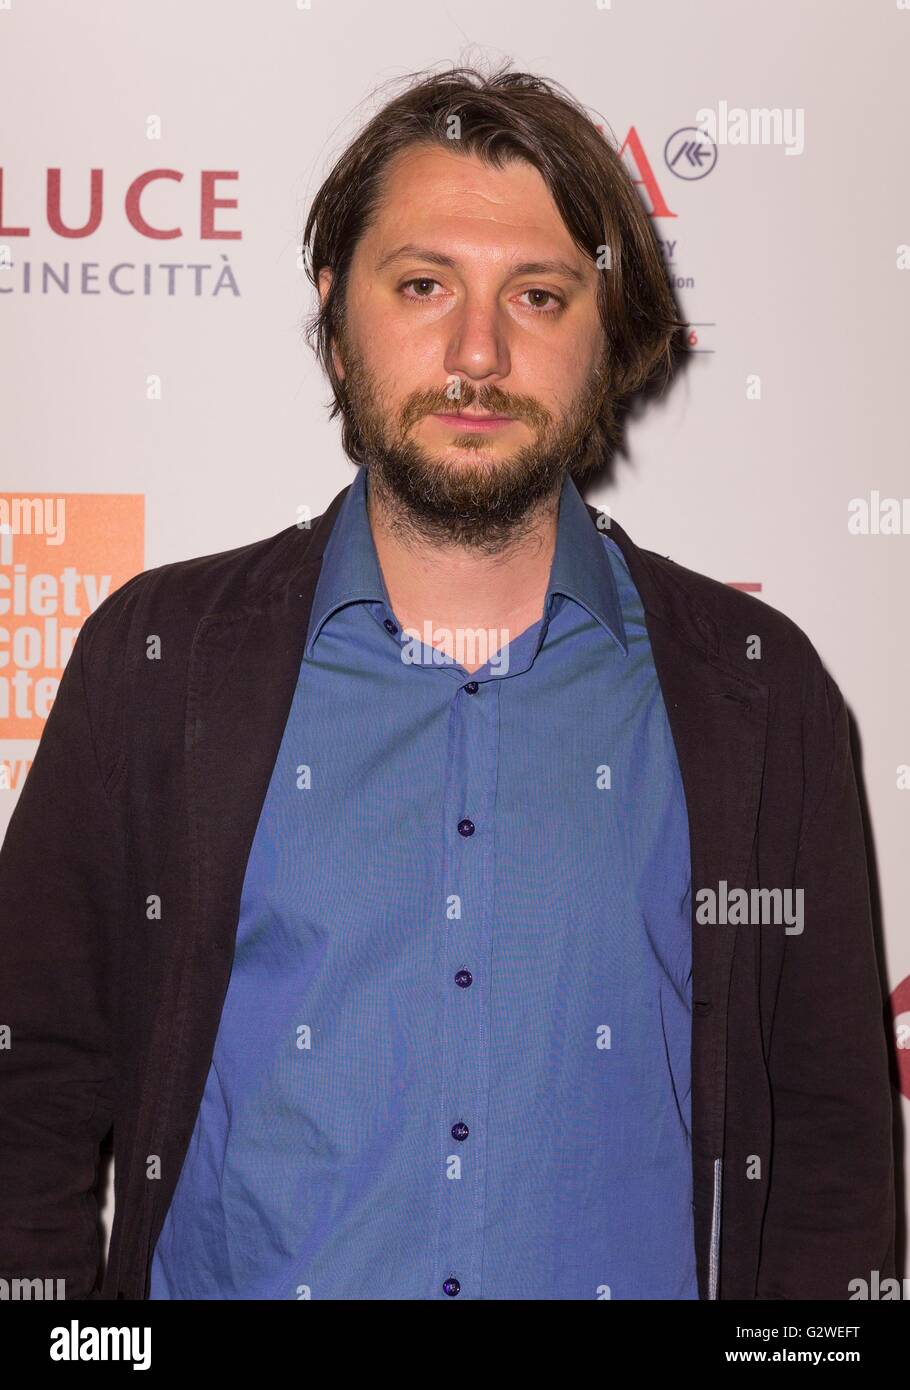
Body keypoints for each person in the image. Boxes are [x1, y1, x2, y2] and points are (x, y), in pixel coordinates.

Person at [0, 64, 895, 1301]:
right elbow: (30, 1079)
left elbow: (830, 1138)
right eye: (423, 286)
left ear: (610, 334)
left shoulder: (756, 688)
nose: (477, 351)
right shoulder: (159, 662)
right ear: (333, 307)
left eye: (537, 294)